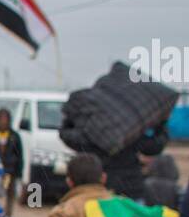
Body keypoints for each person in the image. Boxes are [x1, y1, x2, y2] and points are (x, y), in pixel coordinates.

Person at [59, 61, 169, 200]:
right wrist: (161, 123)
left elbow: (66, 135)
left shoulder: (88, 136)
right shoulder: (131, 134)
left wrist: (70, 117)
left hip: (98, 196)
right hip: (131, 193)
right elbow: (155, 147)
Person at [0, 107, 25, 217]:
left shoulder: (14, 136)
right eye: (1, 119)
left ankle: (7, 216)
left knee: (10, 195)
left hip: (10, 171)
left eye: (5, 119)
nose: (3, 122)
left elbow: (20, 155)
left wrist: (19, 172)